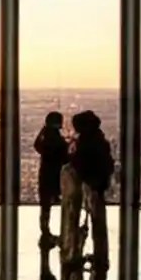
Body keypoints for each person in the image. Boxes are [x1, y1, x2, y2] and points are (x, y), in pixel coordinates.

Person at [69, 110, 112, 271]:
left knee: (94, 221)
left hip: (91, 183)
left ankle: (97, 256)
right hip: (98, 184)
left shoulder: (87, 143)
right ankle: (100, 255)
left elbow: (79, 162)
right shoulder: (100, 141)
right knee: (98, 221)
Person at [34, 111, 68, 246]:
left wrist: (43, 130)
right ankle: (64, 232)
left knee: (45, 206)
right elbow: (64, 157)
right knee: (62, 203)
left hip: (45, 174)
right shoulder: (57, 140)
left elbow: (37, 145)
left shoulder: (46, 138)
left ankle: (45, 231)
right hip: (56, 175)